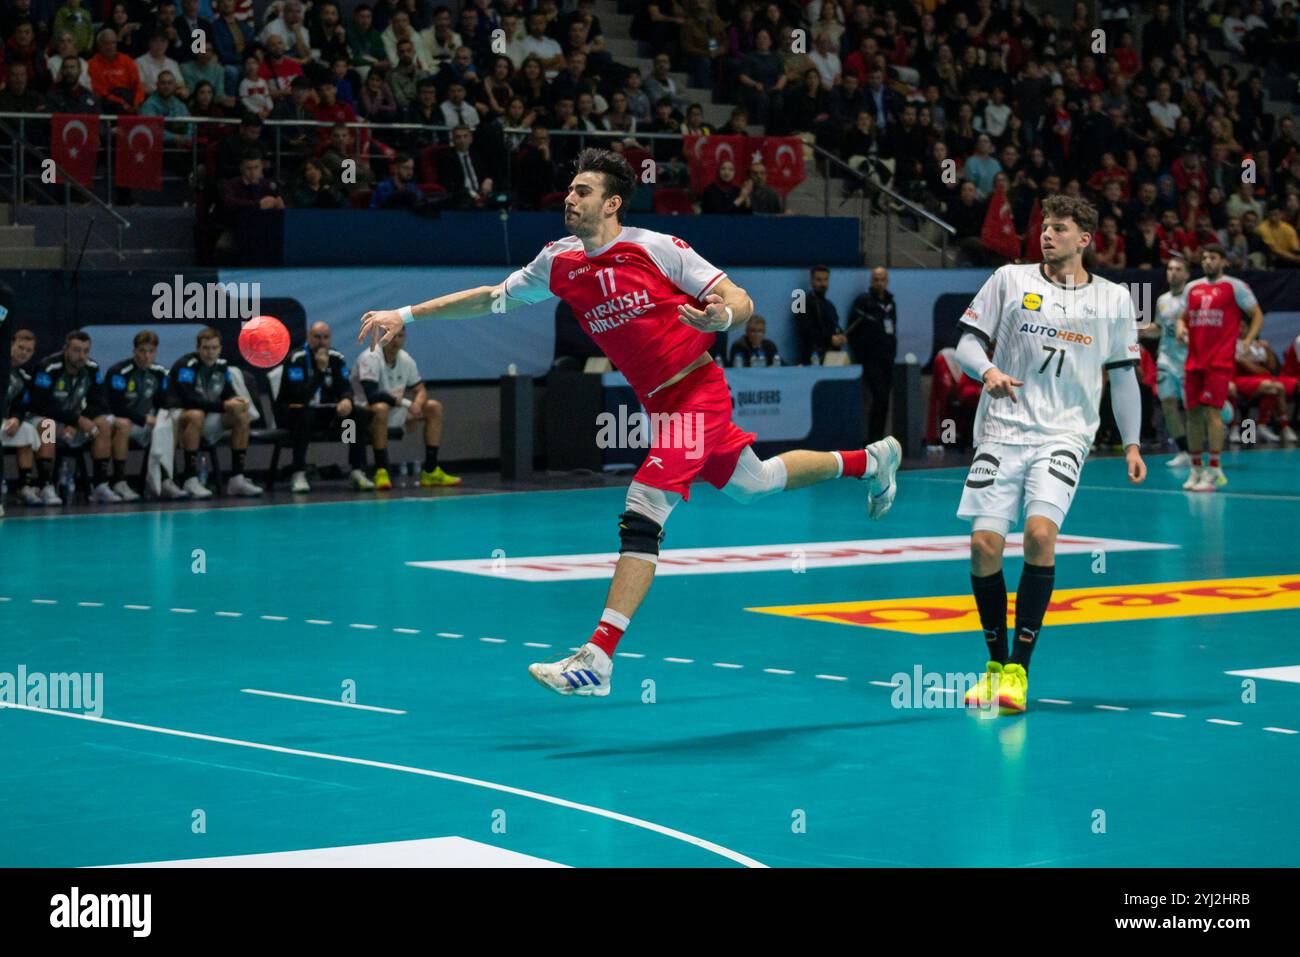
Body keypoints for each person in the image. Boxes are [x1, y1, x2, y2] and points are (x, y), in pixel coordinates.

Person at [358, 147, 904, 697]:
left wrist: (723, 314)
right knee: (753, 484)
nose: (570, 199)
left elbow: (735, 296)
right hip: (659, 403)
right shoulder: (559, 262)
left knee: (644, 506)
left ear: (612, 202)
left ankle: (598, 657)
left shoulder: (656, 248)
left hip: (698, 390)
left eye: (583, 192)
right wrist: (403, 315)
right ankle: (873, 460)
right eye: (569, 190)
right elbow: (491, 299)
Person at [953, 195, 1147, 715]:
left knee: (1040, 535)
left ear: (1085, 240)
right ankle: (994, 664)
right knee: (984, 548)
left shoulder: (1112, 299)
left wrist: (1131, 441)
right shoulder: (1009, 279)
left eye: (1060, 230)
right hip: (1002, 428)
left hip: (1065, 432)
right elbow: (968, 343)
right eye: (1045, 227)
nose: (1047, 235)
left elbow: (1124, 374)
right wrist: (987, 371)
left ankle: (1019, 668)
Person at [1179, 244, 1264, 491]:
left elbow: (1256, 314)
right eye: (1204, 257)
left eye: (1212, 257)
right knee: (1192, 414)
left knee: (1212, 413)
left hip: (1219, 361)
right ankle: (1196, 469)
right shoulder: (1191, 288)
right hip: (1193, 360)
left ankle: (1214, 469)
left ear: (1223, 261)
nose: (1207, 261)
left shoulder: (1234, 286)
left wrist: (1248, 340)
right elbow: (1182, 318)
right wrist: (1182, 328)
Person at [352, 326, 460, 489]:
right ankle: (381, 471)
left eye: (400, 336)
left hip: (395, 409)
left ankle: (430, 471)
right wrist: (407, 404)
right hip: (361, 417)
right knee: (381, 408)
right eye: (392, 336)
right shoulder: (370, 357)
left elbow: (420, 389)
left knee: (433, 407)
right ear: (383, 337)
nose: (396, 340)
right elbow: (372, 396)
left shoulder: (406, 359)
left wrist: (416, 405)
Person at [169, 326, 263, 498]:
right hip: (180, 420)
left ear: (220, 349)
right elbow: (189, 400)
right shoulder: (186, 366)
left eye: (214, 348)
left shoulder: (222, 367)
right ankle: (190, 479)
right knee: (196, 414)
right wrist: (224, 406)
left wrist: (237, 401)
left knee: (242, 416)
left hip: (209, 417)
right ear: (198, 349)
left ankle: (237, 478)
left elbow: (228, 394)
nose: (210, 353)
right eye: (205, 348)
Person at [277, 321, 370, 492]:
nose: (321, 341)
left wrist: (347, 400)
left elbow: (345, 386)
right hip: (295, 413)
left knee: (355, 415)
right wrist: (320, 371)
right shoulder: (295, 358)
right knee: (305, 414)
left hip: (327, 414)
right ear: (308, 337)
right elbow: (299, 396)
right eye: (317, 337)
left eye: (325, 337)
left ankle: (356, 469)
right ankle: (298, 472)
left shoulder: (336, 357)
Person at [30, 330, 117, 505]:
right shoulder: (48, 367)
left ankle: (100, 485)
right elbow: (41, 404)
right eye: (76, 350)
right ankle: (45, 486)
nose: (81, 356)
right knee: (48, 425)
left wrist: (79, 420)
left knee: (103, 424)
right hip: (44, 420)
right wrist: (75, 420)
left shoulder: (92, 369)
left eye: (86, 351)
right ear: (65, 349)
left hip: (76, 422)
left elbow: (99, 402)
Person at [104, 329, 186, 500]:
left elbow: (165, 401)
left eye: (151, 351)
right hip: (119, 422)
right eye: (142, 351)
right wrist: (143, 419)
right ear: (134, 351)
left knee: (169, 423)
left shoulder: (160, 373)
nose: (146, 356)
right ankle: (119, 482)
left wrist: (166, 415)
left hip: (146, 424)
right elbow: (116, 407)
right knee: (123, 424)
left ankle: (165, 480)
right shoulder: (119, 372)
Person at [1141, 255, 1192, 466]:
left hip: (1190, 360)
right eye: (1170, 268)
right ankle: (1184, 452)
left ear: (1187, 274)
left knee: (1193, 407)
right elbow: (1159, 329)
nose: (1173, 272)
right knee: (1168, 403)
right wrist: (1139, 330)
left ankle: (1221, 412)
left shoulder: (1194, 297)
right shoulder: (1162, 300)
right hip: (1166, 359)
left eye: (1178, 269)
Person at [846, 267, 897, 443]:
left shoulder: (891, 303)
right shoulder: (863, 302)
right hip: (870, 359)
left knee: (884, 400)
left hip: (887, 360)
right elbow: (851, 331)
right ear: (871, 281)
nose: (879, 282)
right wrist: (862, 355)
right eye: (876, 279)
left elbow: (892, 330)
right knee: (879, 395)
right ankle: (872, 441)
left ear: (887, 281)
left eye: (882, 279)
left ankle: (880, 439)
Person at [2, 329, 42, 508]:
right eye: (20, 347)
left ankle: (25, 486)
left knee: (27, 430)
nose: (23, 353)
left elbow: (19, 405)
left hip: (5, 422)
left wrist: (16, 419)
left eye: (28, 350)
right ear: (11, 345)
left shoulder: (24, 377)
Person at [792, 265, 845, 364]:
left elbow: (835, 326)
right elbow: (804, 330)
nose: (822, 283)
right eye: (819, 280)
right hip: (812, 358)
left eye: (825, 280)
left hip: (832, 357)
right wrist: (830, 338)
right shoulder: (800, 302)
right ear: (811, 281)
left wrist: (841, 336)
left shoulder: (829, 305)